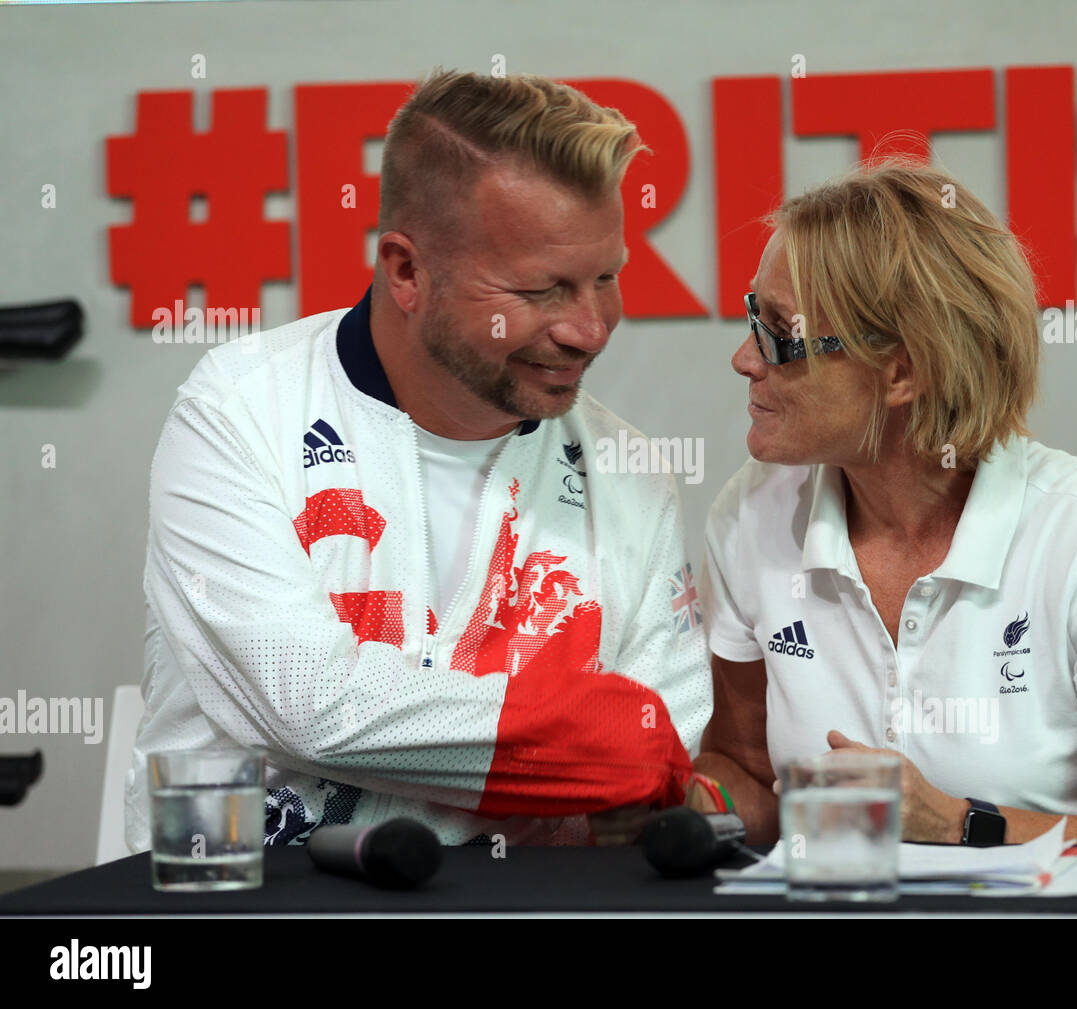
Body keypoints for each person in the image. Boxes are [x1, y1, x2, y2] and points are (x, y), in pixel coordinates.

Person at [126, 69, 714, 852]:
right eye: (542, 289)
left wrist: (609, 751)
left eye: (604, 278)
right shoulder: (237, 413)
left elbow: (652, 752)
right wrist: (577, 735)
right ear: (406, 272)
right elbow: (306, 703)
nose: (590, 328)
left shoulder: (630, 469)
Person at [695, 159, 1077, 846]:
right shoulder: (752, 515)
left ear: (903, 370)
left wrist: (959, 823)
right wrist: (692, 803)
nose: (745, 358)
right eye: (754, 316)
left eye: (780, 332)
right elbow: (745, 771)